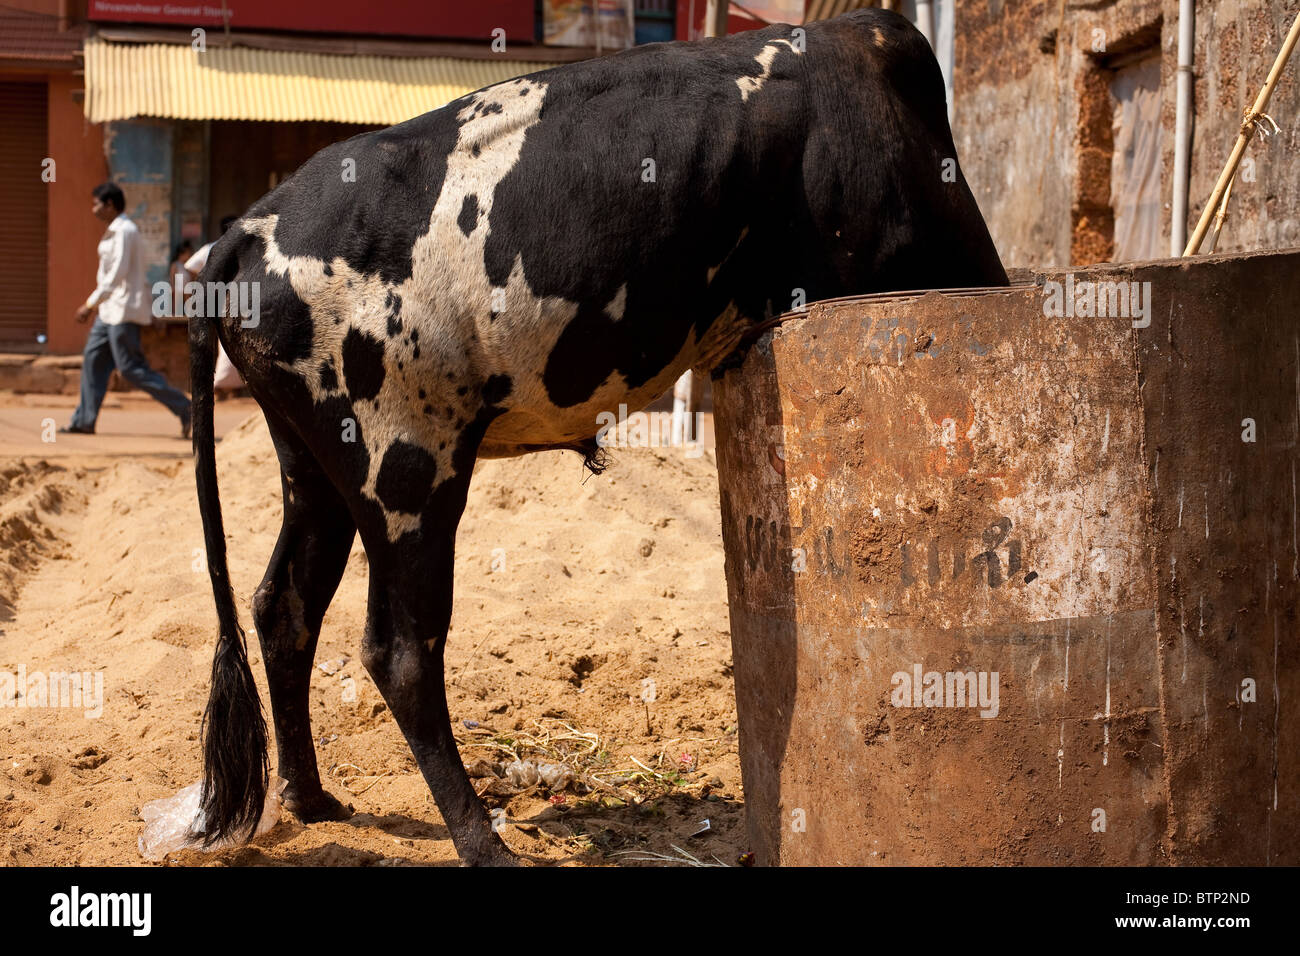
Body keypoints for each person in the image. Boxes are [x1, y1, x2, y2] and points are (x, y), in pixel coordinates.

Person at [61, 182, 192, 437]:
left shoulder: (125, 231)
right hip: (109, 311)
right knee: (93, 360)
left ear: (110, 205)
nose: (93, 209)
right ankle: (84, 420)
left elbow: (119, 274)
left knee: (131, 369)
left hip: (121, 311)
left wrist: (89, 304)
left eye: (96, 203)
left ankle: (186, 408)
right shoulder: (115, 231)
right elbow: (137, 277)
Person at [185, 215, 245, 391]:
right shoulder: (241, 248)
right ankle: (225, 385)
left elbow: (189, 267)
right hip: (233, 302)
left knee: (209, 344)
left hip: (212, 302)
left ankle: (220, 384)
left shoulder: (210, 248)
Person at [167, 240, 194, 317]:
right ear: (182, 253)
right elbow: (172, 278)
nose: (190, 255)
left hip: (187, 289)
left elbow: (192, 277)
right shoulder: (175, 265)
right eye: (188, 253)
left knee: (188, 299)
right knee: (176, 301)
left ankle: (189, 314)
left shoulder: (189, 265)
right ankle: (175, 315)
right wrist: (172, 287)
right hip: (178, 289)